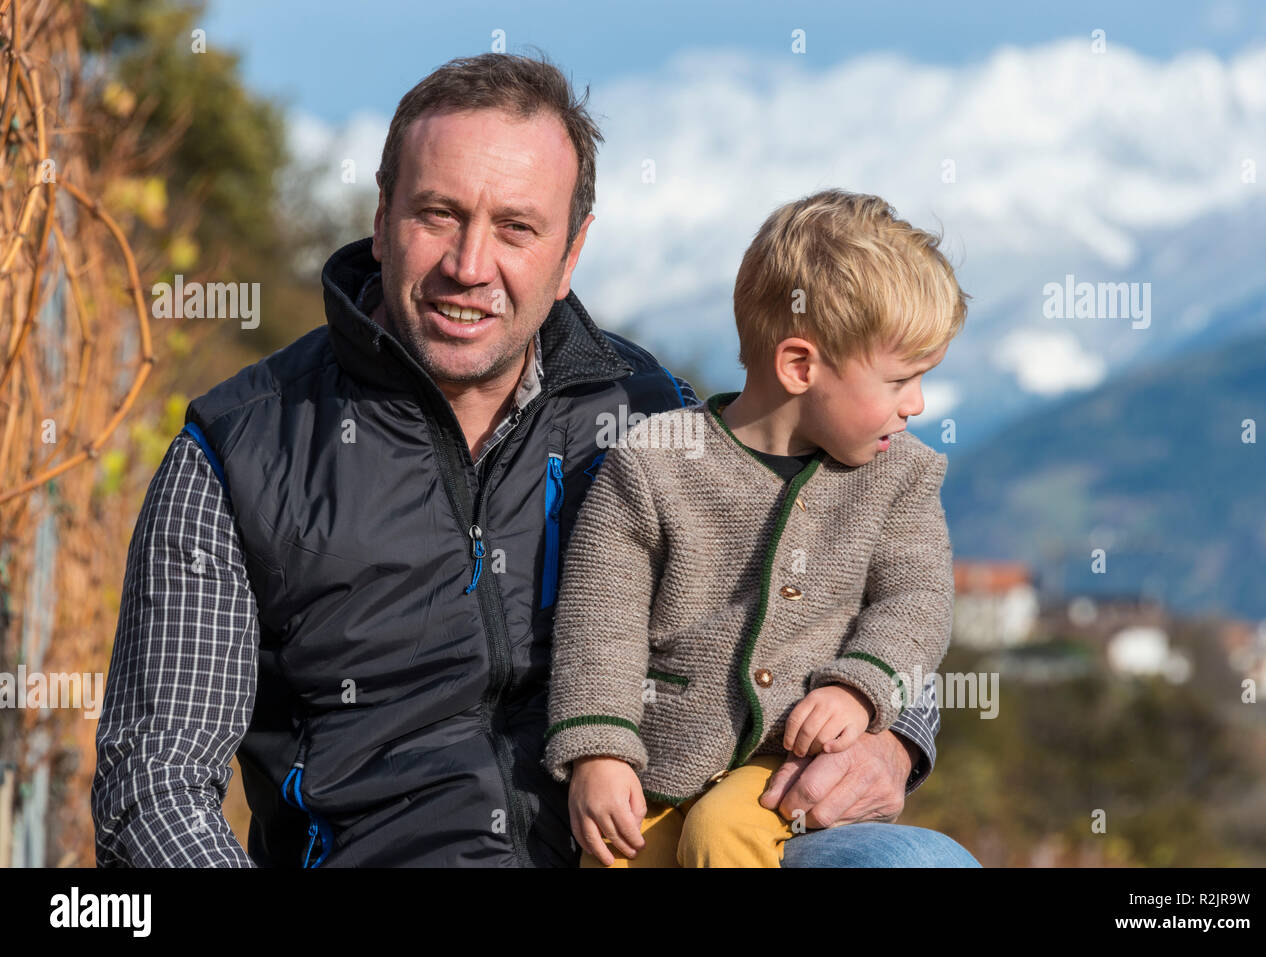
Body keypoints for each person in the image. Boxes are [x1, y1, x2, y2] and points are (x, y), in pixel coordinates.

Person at [91, 52, 976, 868]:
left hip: (648, 848)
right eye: (439, 214)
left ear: (570, 254)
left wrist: (893, 736)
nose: (470, 266)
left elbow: (842, 572)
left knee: (913, 864)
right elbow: (154, 789)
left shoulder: (650, 411)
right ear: (382, 216)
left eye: (516, 228)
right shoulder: (242, 450)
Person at [546, 190, 972, 867]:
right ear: (800, 366)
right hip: (654, 760)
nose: (916, 404)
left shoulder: (903, 478)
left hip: (786, 761)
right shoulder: (652, 463)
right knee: (615, 852)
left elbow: (918, 601)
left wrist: (859, 686)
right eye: (900, 380)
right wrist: (598, 748)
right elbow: (601, 619)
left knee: (723, 833)